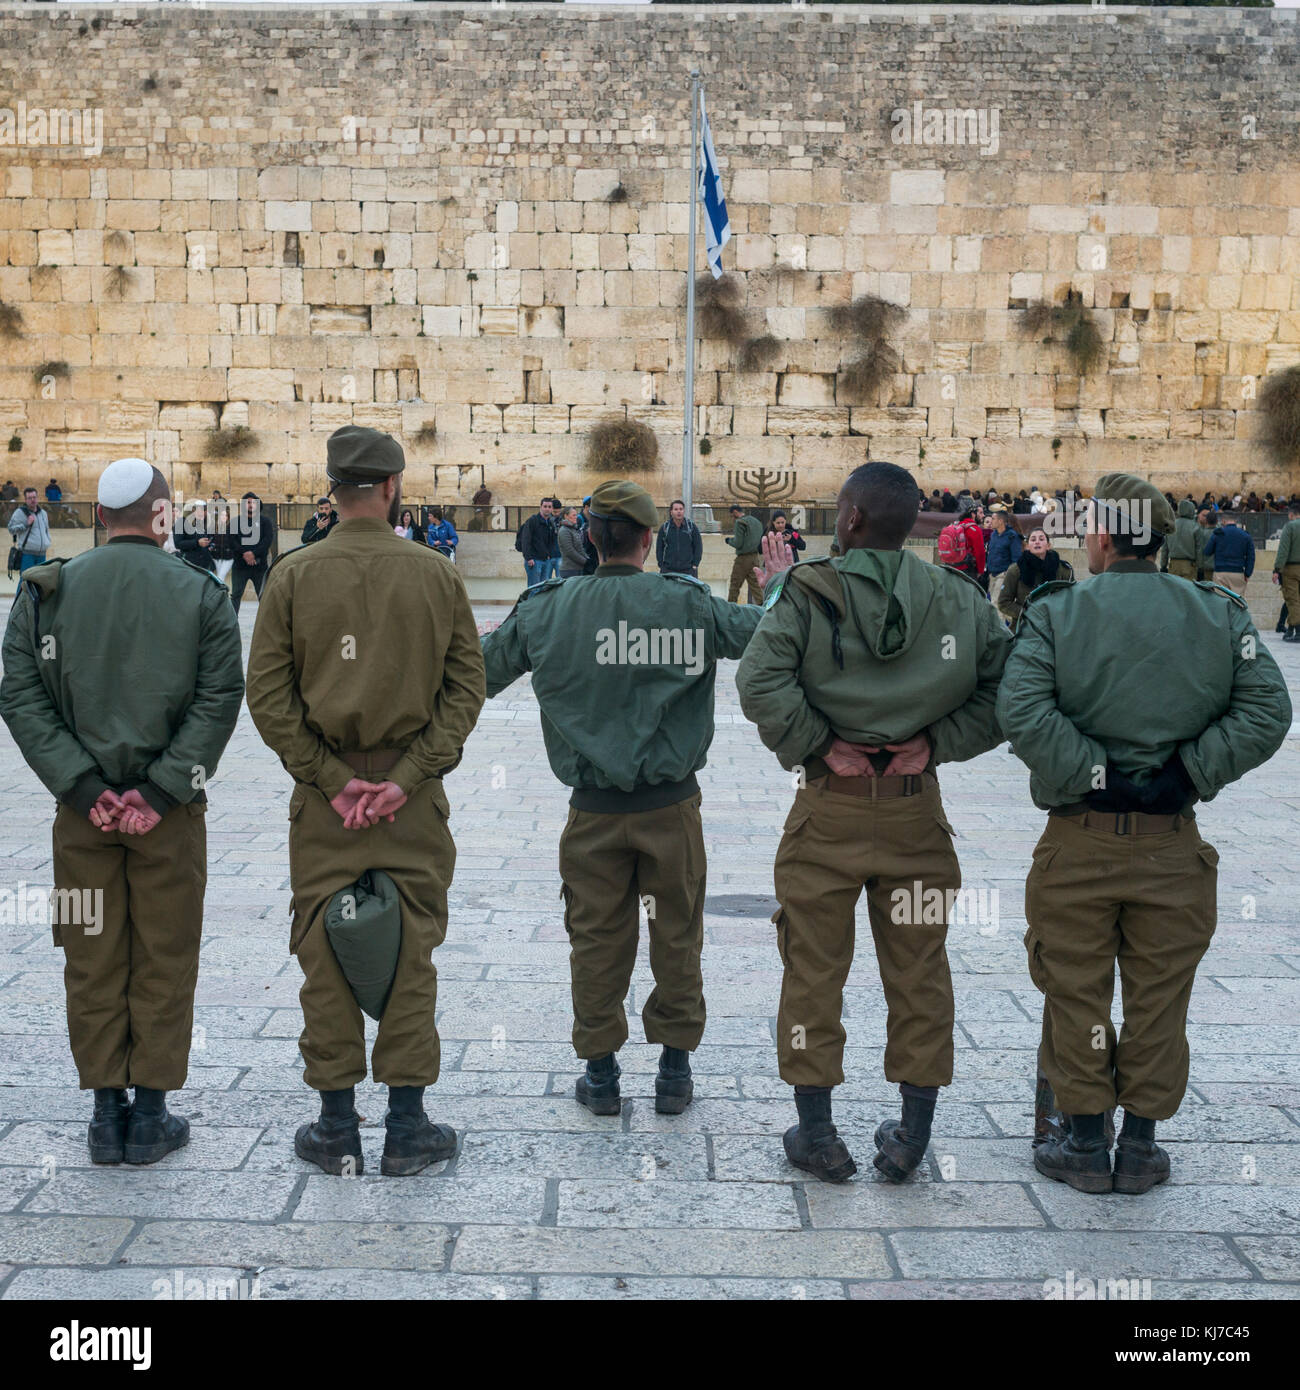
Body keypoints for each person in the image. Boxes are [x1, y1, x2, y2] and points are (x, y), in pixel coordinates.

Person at [998, 474, 1290, 1195]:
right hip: (1171, 840)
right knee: (1161, 998)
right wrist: (1188, 773)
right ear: (1159, 539)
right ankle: (1141, 1149)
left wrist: (1098, 774)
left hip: (1080, 839)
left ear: (1101, 535)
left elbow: (1023, 711)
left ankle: (1085, 1143)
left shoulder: (1056, 613)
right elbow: (1267, 714)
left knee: (1076, 991)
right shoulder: (1219, 614)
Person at [737, 461, 1012, 1184]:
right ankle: (911, 1135)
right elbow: (1008, 686)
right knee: (920, 968)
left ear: (852, 520)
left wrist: (821, 743)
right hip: (916, 808)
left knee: (813, 970)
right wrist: (939, 743)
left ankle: (819, 1133)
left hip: (830, 804)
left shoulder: (806, 590)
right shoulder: (958, 597)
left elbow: (759, 680)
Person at [481, 480, 790, 1118]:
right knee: (677, 935)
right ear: (650, 540)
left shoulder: (546, 607)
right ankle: (674, 1074)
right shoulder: (690, 604)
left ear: (588, 536)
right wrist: (779, 584)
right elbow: (772, 637)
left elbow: (475, 674)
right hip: (671, 809)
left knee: (595, 940)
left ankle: (600, 1076)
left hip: (591, 814)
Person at [246, 426, 485, 1178]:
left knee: (322, 949)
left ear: (333, 489)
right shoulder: (437, 576)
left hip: (329, 805)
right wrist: (407, 777)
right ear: (390, 488)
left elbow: (269, 696)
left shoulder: (291, 577)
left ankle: (335, 1122)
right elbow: (464, 689)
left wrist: (329, 777)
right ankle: (408, 1127)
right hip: (409, 804)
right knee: (412, 949)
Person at [0, 458, 243, 1166]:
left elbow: (20, 698)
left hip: (83, 819)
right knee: (164, 955)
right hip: (167, 820)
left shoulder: (47, 591)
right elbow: (219, 699)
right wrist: (162, 789)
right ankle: (153, 1115)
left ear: (100, 519)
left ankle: (107, 1114)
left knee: (89, 953)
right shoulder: (201, 596)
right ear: (164, 515)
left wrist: (82, 787)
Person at [997, 527, 1073, 631]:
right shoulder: (1016, 570)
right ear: (1027, 546)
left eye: (1041, 539)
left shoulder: (1063, 570)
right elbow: (1003, 602)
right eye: (1033, 540)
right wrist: (1027, 613)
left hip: (1054, 627)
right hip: (1024, 628)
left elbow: (1071, 600)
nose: (1037, 542)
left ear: (1048, 546)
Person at [230, 491, 276, 613]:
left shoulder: (265, 522)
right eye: (248, 503)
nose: (250, 505)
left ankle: (267, 625)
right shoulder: (235, 522)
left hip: (259, 566)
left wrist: (253, 554)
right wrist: (245, 553)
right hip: (240, 566)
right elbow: (231, 541)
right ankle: (232, 625)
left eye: (253, 502)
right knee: (235, 596)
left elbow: (267, 541)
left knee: (264, 596)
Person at [1203, 511, 1255, 597]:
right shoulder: (1245, 535)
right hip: (1238, 573)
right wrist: (1247, 573)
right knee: (1237, 603)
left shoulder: (1218, 533)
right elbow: (1251, 557)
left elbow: (1207, 552)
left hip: (1220, 572)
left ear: (1223, 521)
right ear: (1235, 521)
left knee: (1221, 602)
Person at [725, 503, 764, 604]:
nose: (732, 519)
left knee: (734, 586)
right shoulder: (757, 522)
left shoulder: (740, 522)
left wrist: (729, 540)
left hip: (743, 559)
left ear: (735, 512)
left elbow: (738, 543)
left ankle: (730, 610)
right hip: (755, 558)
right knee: (756, 587)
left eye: (732, 516)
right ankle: (763, 609)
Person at [8, 486, 52, 574]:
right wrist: (26, 524)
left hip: (42, 554)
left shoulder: (43, 513)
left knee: (39, 582)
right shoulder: (20, 512)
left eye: (34, 497)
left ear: (37, 498)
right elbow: (11, 529)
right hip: (27, 555)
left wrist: (47, 541)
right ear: (25, 500)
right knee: (25, 581)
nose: (32, 500)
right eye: (29, 498)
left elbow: (46, 530)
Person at [1273, 501, 1300, 642]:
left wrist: (1277, 569)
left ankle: (1298, 631)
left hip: (1291, 568)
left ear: (1291, 514)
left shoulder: (1290, 527)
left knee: (1292, 600)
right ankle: (1290, 629)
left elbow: (1283, 550)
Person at [984, 508, 1022, 605]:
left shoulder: (1012, 536)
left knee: (996, 603)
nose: (991, 521)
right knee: (992, 603)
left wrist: (1008, 573)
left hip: (1003, 575)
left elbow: (1016, 558)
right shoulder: (993, 535)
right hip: (992, 574)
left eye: (993, 519)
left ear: (1000, 521)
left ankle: (1000, 621)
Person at [656, 498, 702, 577]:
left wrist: (695, 565)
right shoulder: (665, 528)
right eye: (676, 509)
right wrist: (661, 565)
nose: (679, 511)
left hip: (688, 570)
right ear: (671, 512)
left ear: (684, 511)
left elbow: (698, 546)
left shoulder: (691, 527)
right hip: (668, 570)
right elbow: (659, 548)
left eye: (681, 509)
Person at [1158, 498, 1201, 580]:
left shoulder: (1171, 526)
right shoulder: (1195, 527)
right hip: (1190, 566)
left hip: (1173, 565)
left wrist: (1163, 566)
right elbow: (1199, 550)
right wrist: (1200, 568)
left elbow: (1165, 549)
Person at [518, 497, 556, 589]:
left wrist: (549, 556)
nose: (547, 509)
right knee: (534, 589)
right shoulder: (532, 521)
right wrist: (528, 558)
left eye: (549, 507)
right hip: (534, 561)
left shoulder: (550, 523)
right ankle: (531, 604)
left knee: (543, 590)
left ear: (552, 509)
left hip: (546, 561)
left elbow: (550, 542)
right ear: (540, 507)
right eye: (545, 506)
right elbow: (525, 540)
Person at [173, 499, 217, 574]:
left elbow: (210, 538)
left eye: (204, 510)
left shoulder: (202, 522)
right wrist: (197, 543)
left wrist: (211, 545)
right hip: (190, 565)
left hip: (205, 564)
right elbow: (178, 544)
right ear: (193, 510)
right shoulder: (181, 522)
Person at [556, 505, 588, 578]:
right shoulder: (564, 530)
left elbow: (580, 548)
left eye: (576, 515)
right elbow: (569, 551)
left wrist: (588, 559)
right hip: (569, 570)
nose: (576, 517)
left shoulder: (573, 529)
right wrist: (585, 562)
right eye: (573, 515)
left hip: (578, 569)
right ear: (566, 516)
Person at [1195, 509, 1216, 582]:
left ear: (1207, 520)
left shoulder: (1202, 533)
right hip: (1218, 567)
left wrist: (1200, 566)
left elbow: (1200, 550)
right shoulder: (1221, 533)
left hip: (1206, 567)